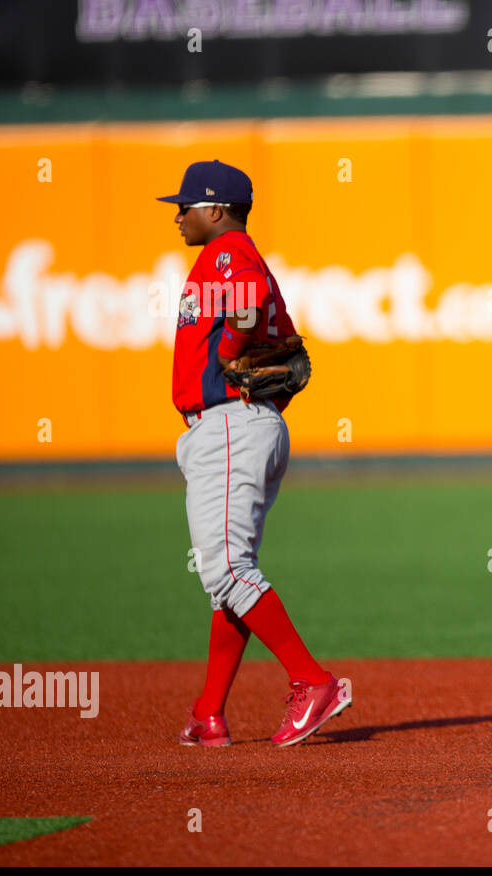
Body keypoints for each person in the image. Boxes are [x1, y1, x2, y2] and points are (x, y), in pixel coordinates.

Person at [159, 159, 352, 748]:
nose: (178, 216)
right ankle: (208, 712)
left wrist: (229, 355)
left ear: (217, 210)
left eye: (187, 206)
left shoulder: (227, 253)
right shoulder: (246, 258)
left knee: (228, 570)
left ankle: (312, 682)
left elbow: (247, 309)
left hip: (227, 426)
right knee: (230, 575)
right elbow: (290, 354)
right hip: (247, 425)